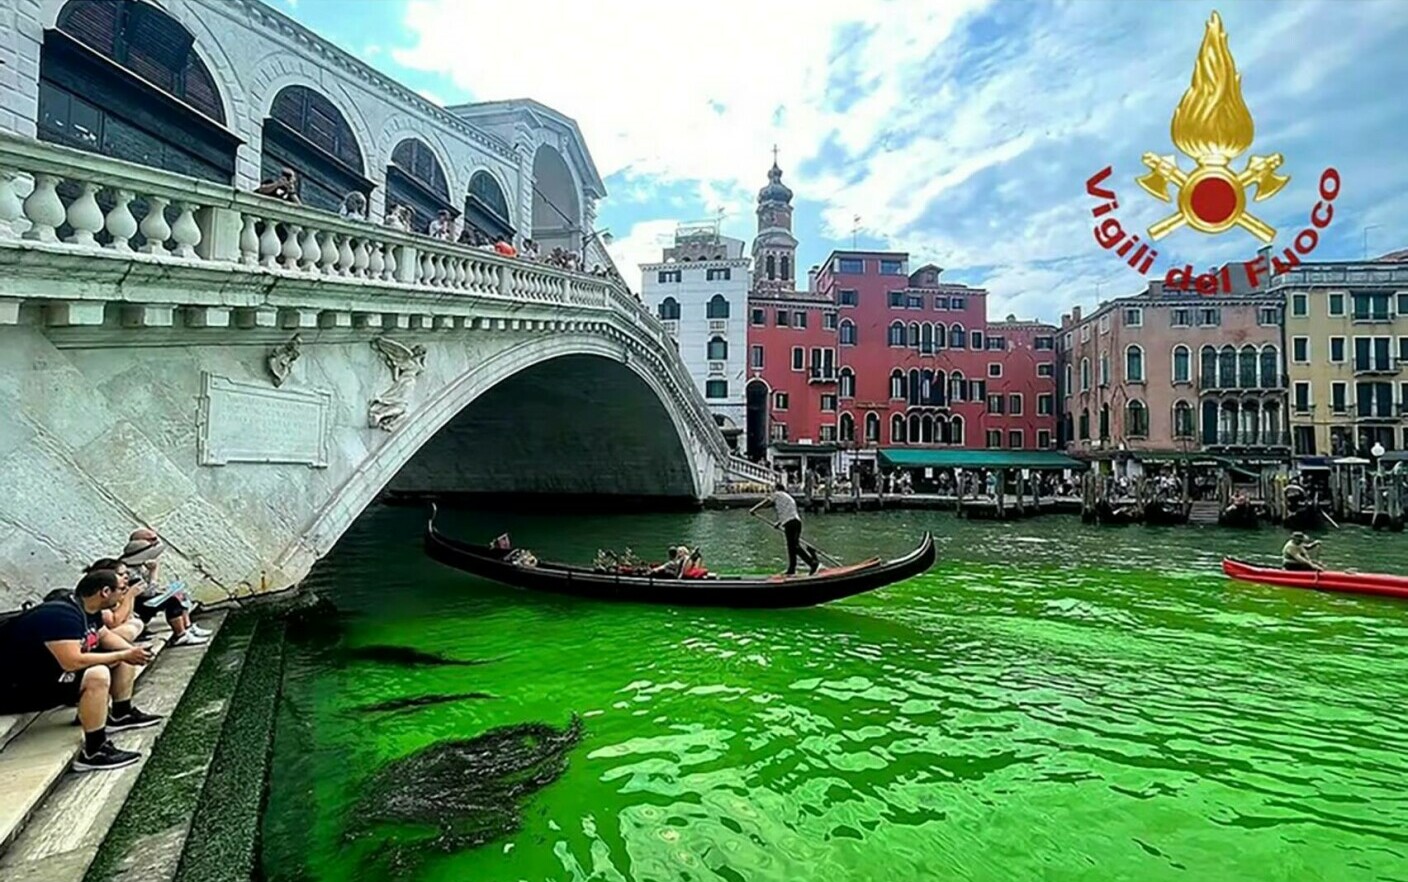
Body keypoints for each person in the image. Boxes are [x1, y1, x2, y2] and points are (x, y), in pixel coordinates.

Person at [0, 570, 162, 771]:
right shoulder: (61, 616)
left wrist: (132, 652)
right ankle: (94, 752)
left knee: (122, 653)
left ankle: (121, 714)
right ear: (104, 591)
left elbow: (105, 637)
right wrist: (123, 655)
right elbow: (72, 662)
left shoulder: (88, 609)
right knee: (98, 673)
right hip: (13, 689)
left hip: (42, 677)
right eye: (122, 589)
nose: (125, 594)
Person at [121, 531, 209, 646]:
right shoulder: (129, 571)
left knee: (179, 592)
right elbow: (148, 592)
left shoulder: (138, 565)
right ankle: (180, 635)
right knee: (172, 601)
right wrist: (153, 573)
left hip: (143, 599)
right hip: (137, 605)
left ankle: (187, 626)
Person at [751, 482, 819, 576]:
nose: (772, 491)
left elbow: (767, 502)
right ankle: (793, 568)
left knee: (794, 547)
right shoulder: (788, 497)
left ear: (777, 488)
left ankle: (812, 563)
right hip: (796, 522)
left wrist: (754, 509)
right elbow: (787, 512)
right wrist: (779, 523)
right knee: (792, 547)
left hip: (790, 523)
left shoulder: (777, 494)